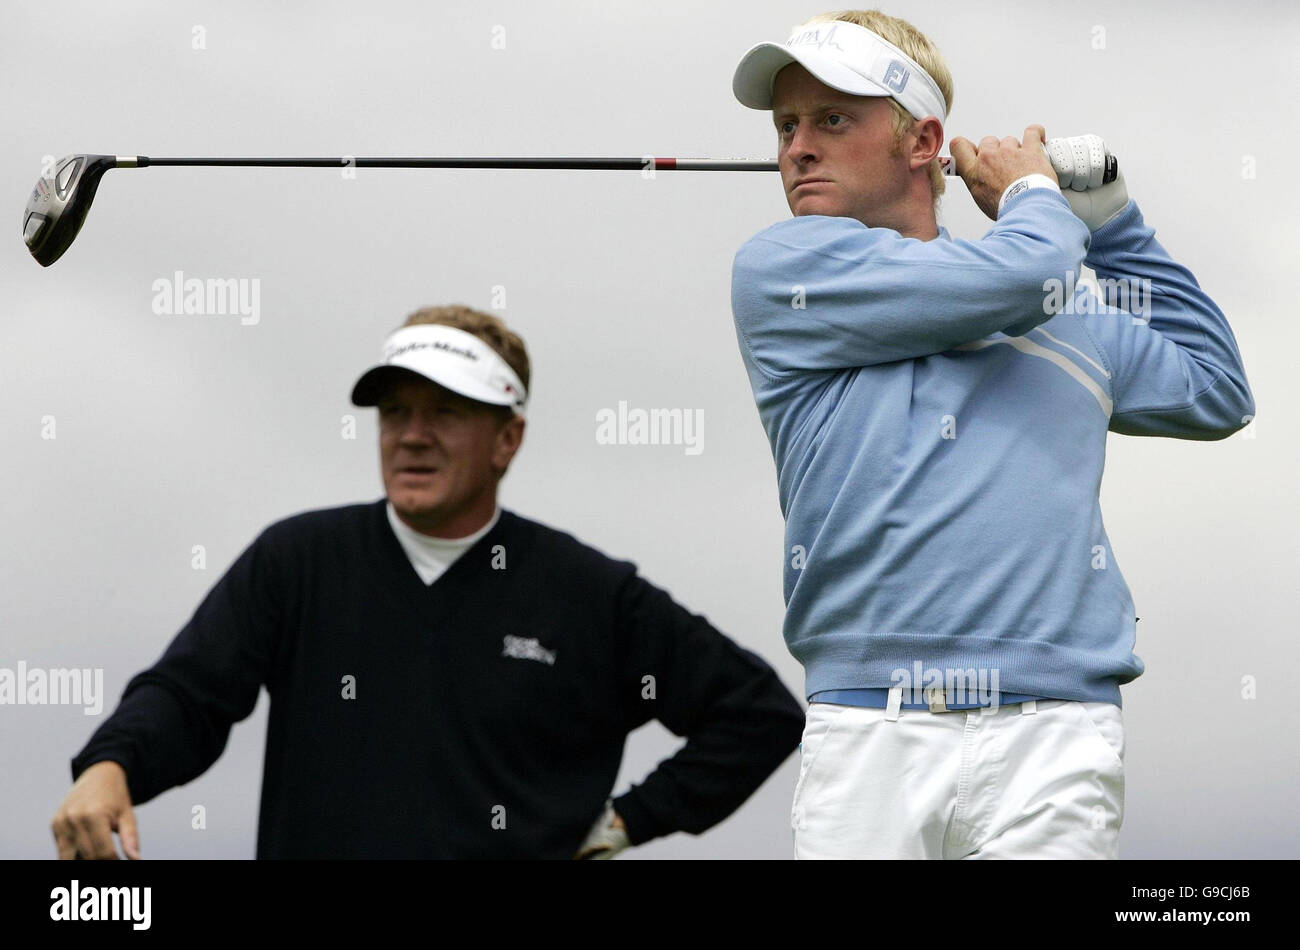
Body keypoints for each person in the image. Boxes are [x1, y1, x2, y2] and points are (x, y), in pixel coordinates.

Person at [728, 9, 1255, 859]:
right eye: (787, 125)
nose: (797, 147)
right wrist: (1036, 198)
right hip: (871, 726)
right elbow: (1028, 270)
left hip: (1057, 734)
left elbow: (1219, 388)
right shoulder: (785, 274)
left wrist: (1115, 223)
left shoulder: (1065, 310)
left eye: (832, 119)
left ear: (922, 140)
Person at [53, 305, 804, 860]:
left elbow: (757, 713)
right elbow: (189, 695)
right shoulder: (298, 562)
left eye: (445, 412)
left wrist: (625, 822)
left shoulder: (587, 593)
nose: (412, 434)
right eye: (396, 411)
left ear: (507, 439)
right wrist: (110, 766)